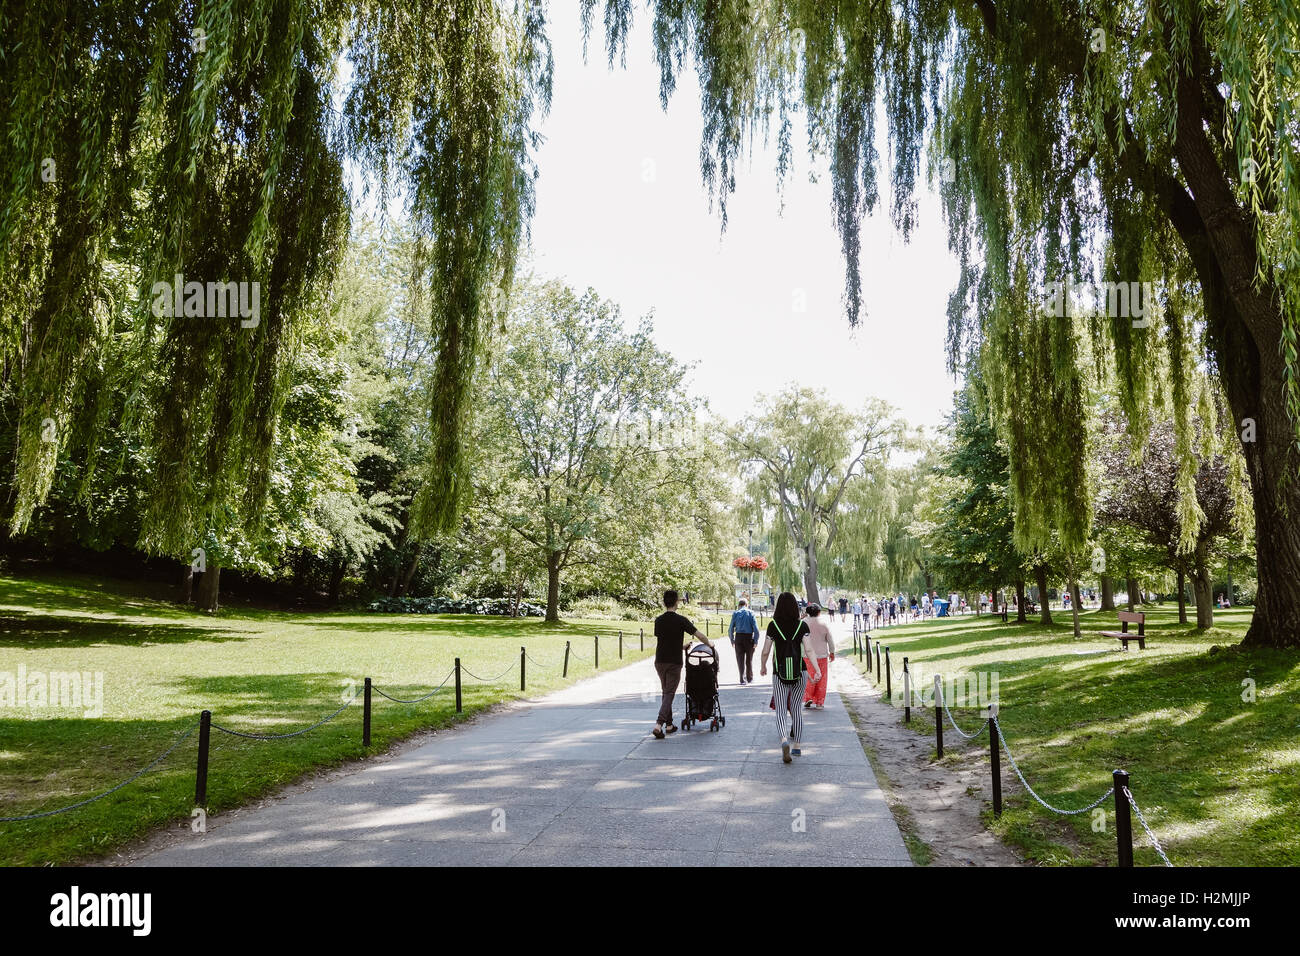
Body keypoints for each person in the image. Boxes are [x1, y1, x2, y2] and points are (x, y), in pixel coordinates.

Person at [760, 591, 821, 763]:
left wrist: (763, 665)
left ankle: (784, 740)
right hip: (799, 672)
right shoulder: (802, 626)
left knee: (780, 710)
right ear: (795, 607)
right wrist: (816, 669)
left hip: (779, 673)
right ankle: (797, 746)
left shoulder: (773, 626)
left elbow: (766, 650)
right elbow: (808, 650)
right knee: (796, 709)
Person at [651, 589, 712, 739]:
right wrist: (709, 644)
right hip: (674, 662)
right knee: (670, 693)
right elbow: (699, 635)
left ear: (664, 602)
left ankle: (669, 725)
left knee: (666, 692)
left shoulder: (658, 620)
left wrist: (682, 646)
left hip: (660, 661)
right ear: (676, 602)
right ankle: (659, 724)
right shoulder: (681, 620)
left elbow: (666, 642)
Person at [801, 604, 835, 710]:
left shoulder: (803, 623)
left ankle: (808, 698)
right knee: (822, 679)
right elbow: (830, 640)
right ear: (819, 612)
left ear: (807, 612)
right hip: (822, 655)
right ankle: (820, 702)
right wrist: (832, 652)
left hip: (807, 655)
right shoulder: (824, 623)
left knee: (809, 677)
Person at [728, 598, 759, 684]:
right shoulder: (751, 613)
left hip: (738, 637)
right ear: (746, 604)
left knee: (740, 658)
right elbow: (756, 629)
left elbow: (730, 628)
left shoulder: (735, 613)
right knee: (749, 659)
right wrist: (756, 641)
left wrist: (732, 640)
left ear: (739, 605)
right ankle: (750, 678)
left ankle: (742, 679)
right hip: (749, 638)